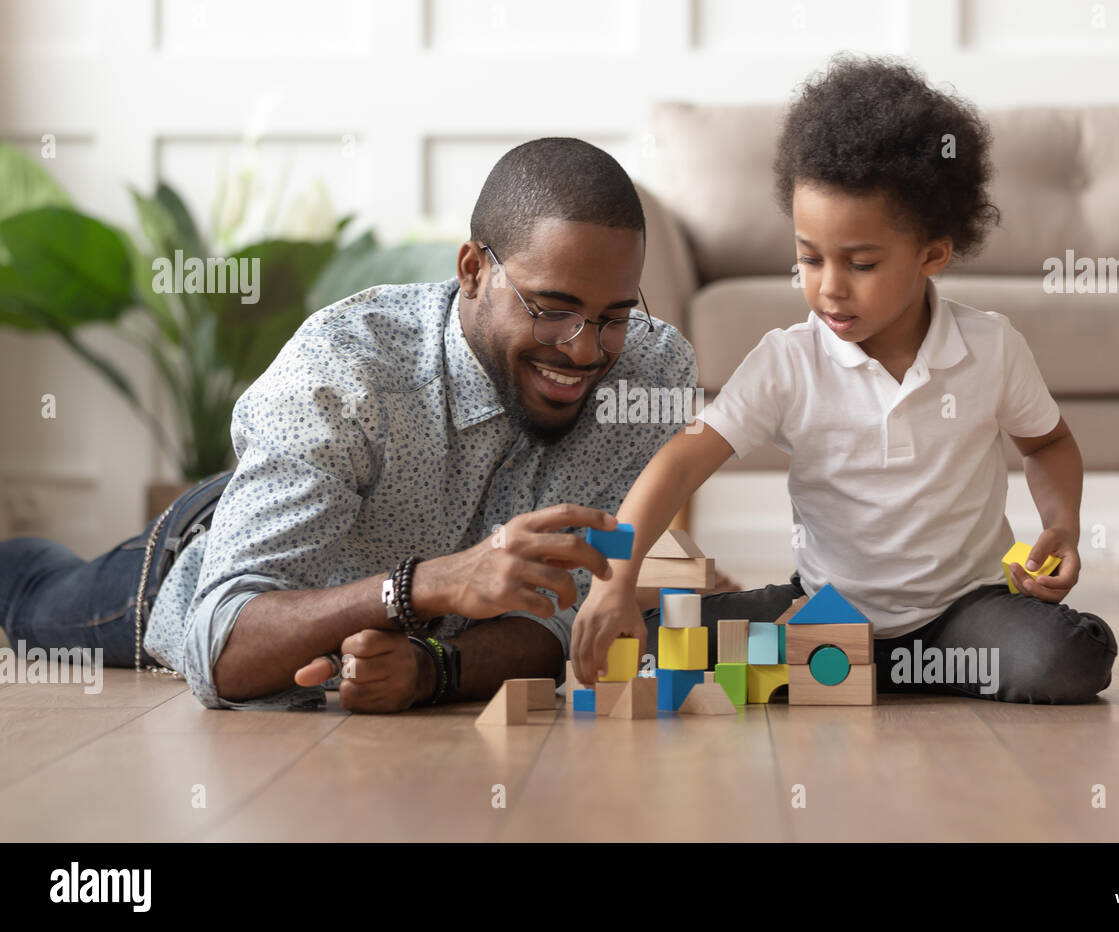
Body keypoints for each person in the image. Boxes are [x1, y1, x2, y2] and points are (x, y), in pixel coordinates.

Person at [0, 137, 698, 712]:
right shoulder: (345, 368)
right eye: (552, 307)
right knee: (30, 596)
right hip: (208, 558)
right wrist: (423, 586)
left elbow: (559, 615)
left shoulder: (649, 374)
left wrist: (433, 668)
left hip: (379, 611)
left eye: (612, 316)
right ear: (473, 270)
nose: (584, 349)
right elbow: (220, 650)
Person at [571, 55, 1118, 704]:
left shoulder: (990, 347)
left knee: (1066, 660)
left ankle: (842, 671)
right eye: (809, 258)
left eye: (860, 263)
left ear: (933, 253)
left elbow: (1047, 444)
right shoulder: (788, 361)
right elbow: (681, 463)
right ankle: (841, 661)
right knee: (657, 641)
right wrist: (613, 584)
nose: (828, 287)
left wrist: (1063, 526)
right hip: (827, 609)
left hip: (964, 616)